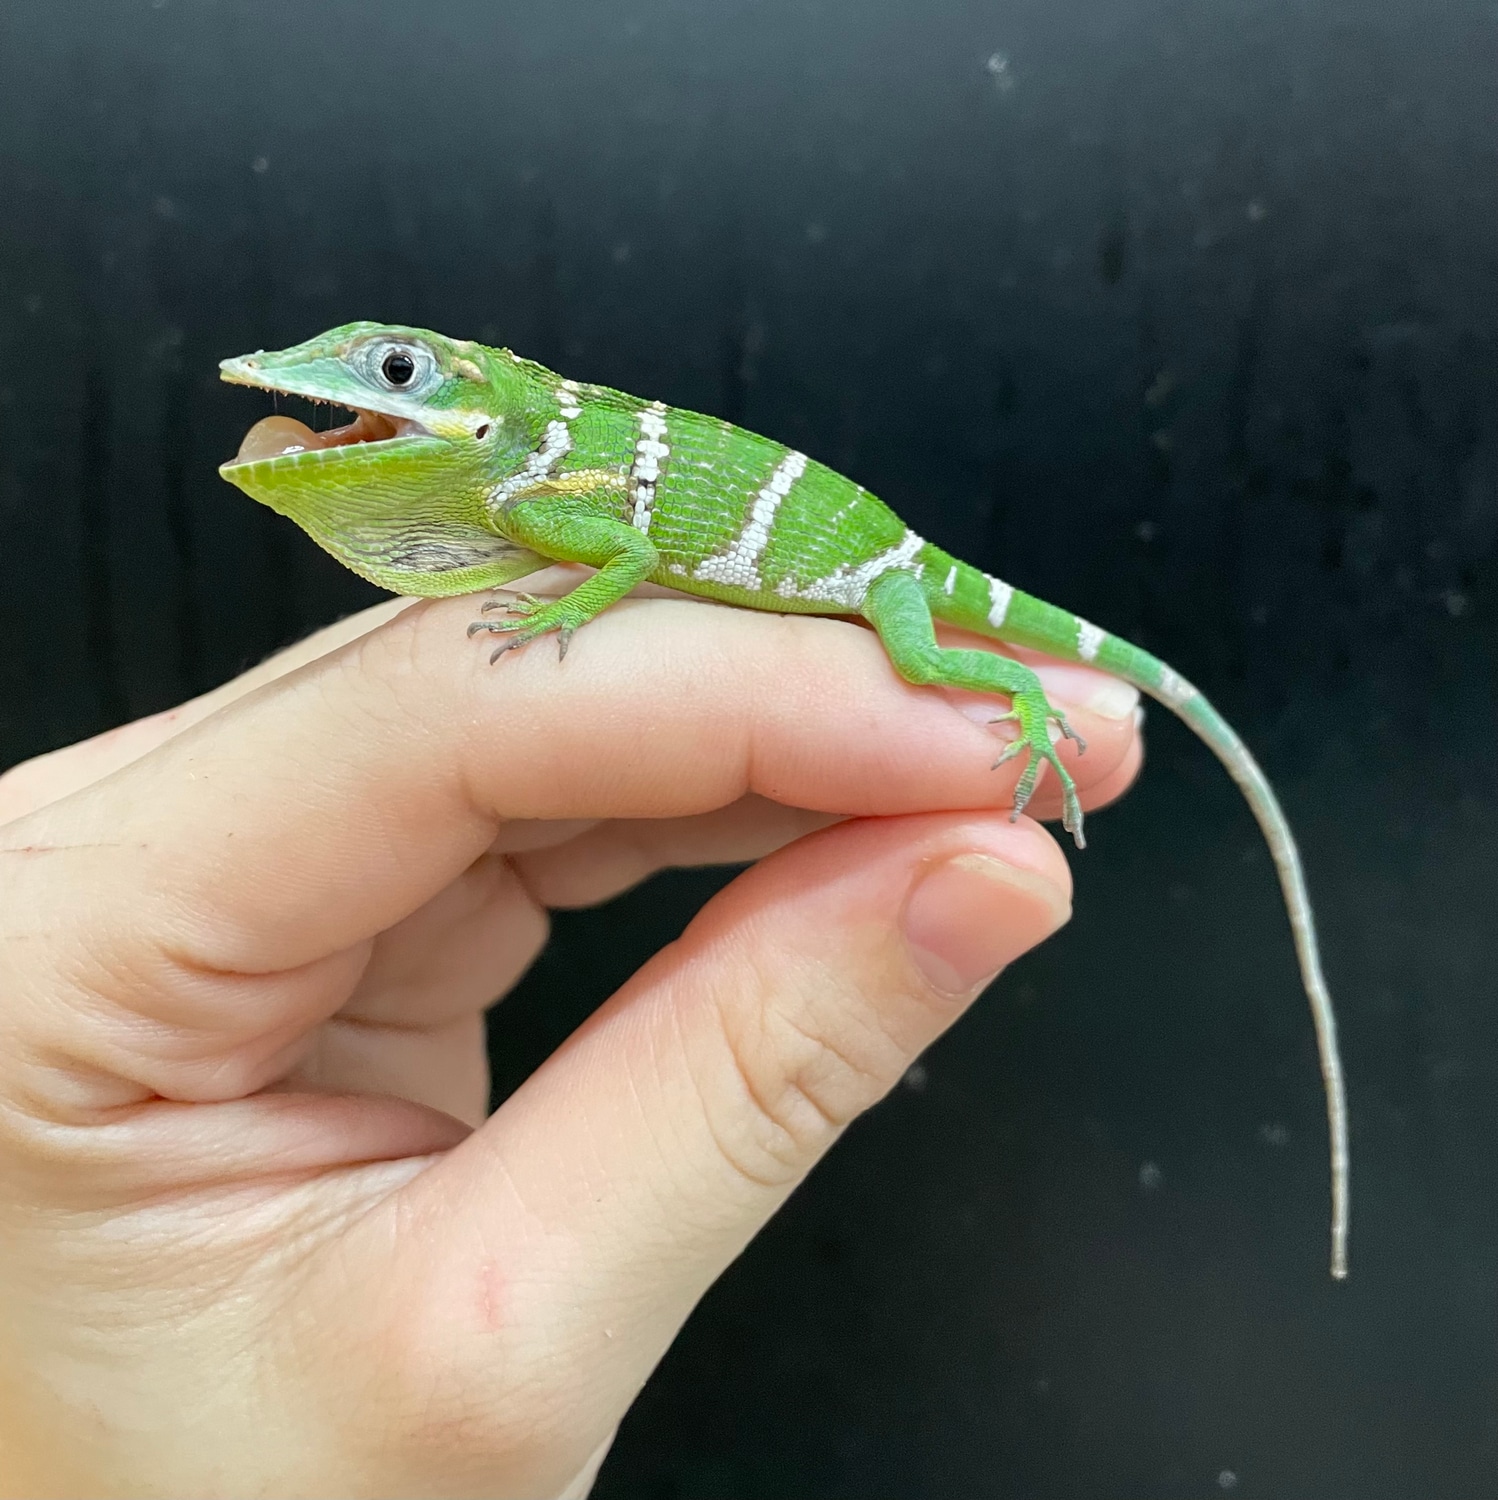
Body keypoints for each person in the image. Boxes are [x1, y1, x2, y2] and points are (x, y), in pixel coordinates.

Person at [0, 585, 1141, 1497]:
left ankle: (1033, 706)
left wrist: (561, 614)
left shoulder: (556, 483)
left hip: (876, 575)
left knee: (925, 664)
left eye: (398, 373)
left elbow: (620, 554)